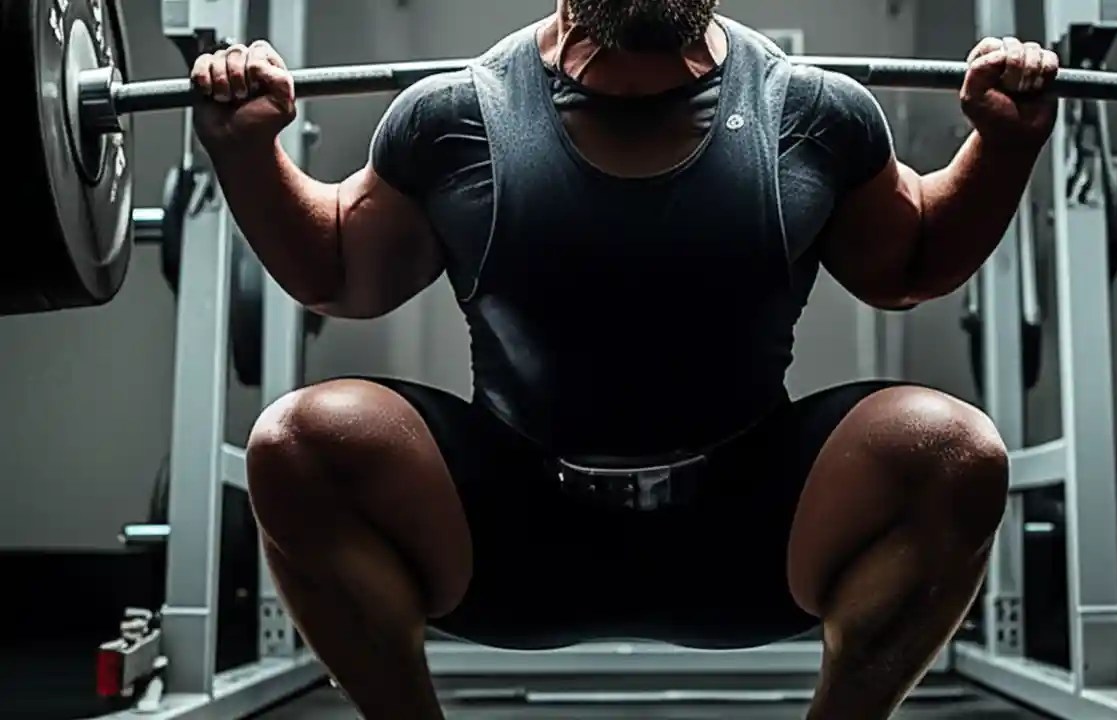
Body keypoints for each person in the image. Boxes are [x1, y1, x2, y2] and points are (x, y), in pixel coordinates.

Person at [190, 1, 1058, 718]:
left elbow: (908, 267)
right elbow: (338, 271)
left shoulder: (812, 111)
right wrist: (246, 151)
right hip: (513, 534)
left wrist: (1003, 144)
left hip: (749, 532)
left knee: (954, 454)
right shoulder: (456, 113)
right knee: (298, 442)